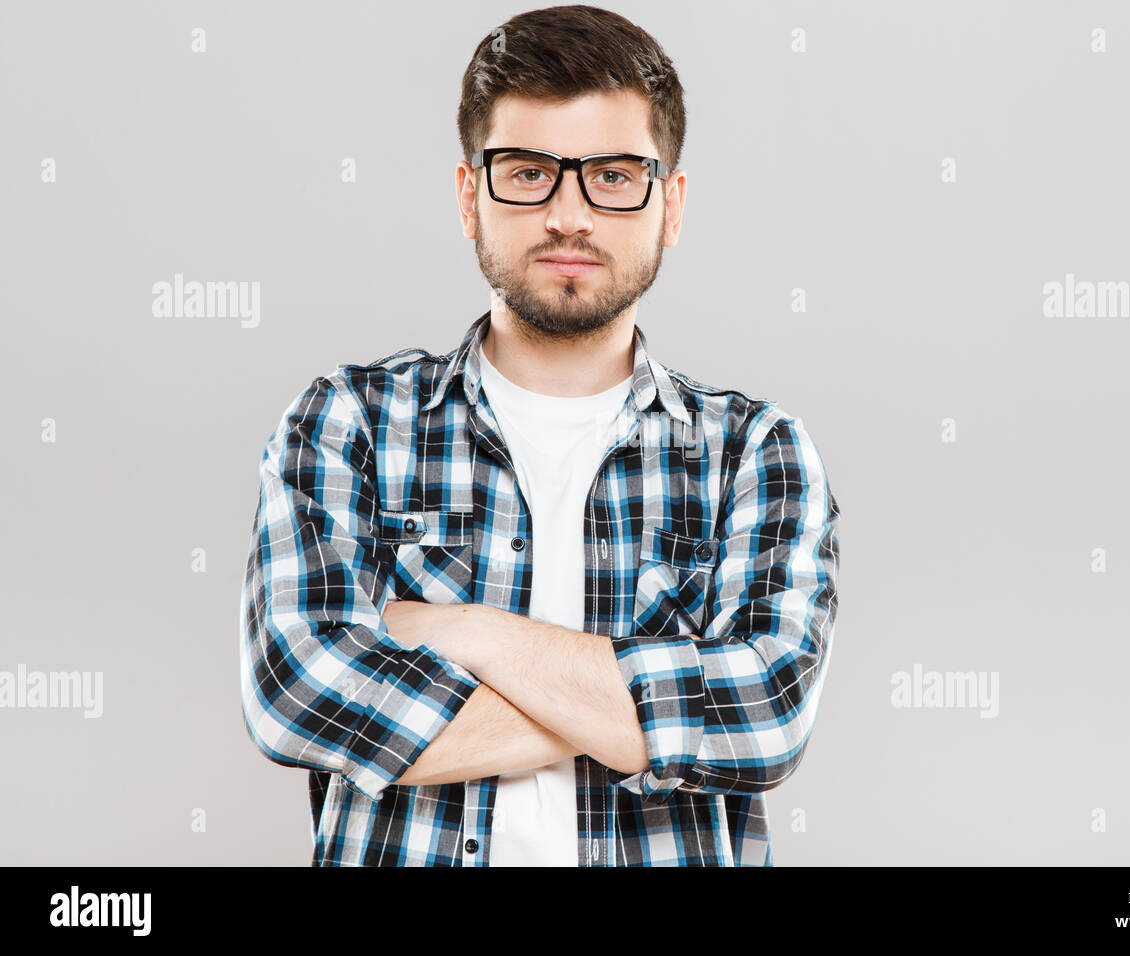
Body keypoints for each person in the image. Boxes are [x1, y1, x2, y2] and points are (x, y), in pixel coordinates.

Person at [239, 4, 840, 866]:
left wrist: (462, 631)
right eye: (527, 173)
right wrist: (646, 716)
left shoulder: (756, 455)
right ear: (468, 196)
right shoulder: (348, 423)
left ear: (669, 205)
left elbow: (763, 717)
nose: (569, 215)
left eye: (613, 174)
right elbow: (298, 691)